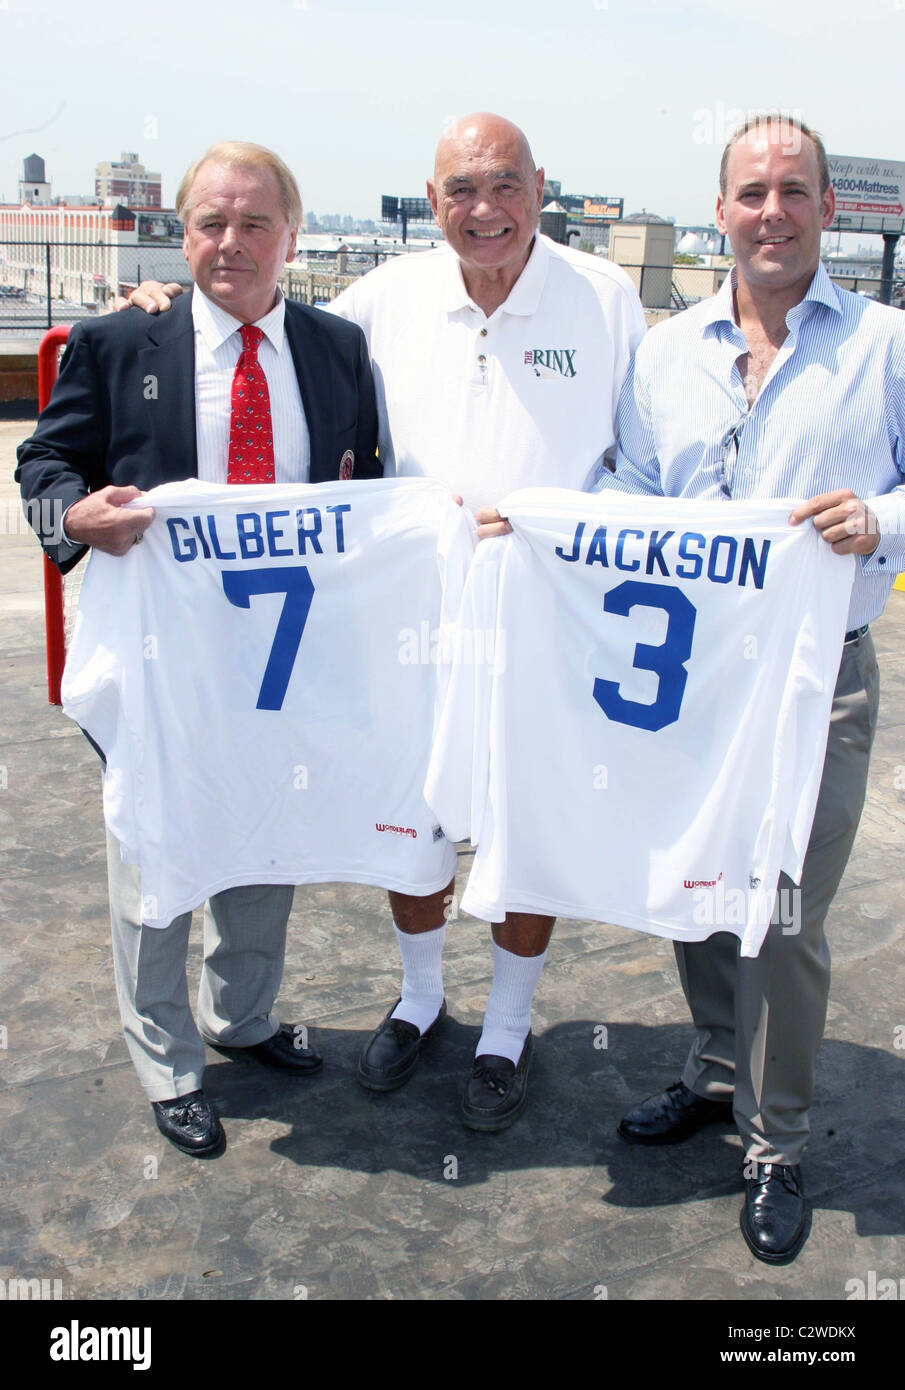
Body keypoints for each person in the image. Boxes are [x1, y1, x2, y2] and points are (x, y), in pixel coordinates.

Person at [123, 113, 645, 1130]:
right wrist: (162, 304)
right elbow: (258, 310)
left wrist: (556, 527)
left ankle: (505, 1026)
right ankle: (417, 999)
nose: (483, 211)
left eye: (503, 186)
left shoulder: (607, 298)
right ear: (431, 195)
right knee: (409, 817)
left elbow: (642, 458)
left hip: (544, 618)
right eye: (460, 190)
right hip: (404, 625)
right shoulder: (382, 298)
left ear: (540, 186)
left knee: (523, 824)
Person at [16, 141, 380, 1157]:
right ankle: (165, 1057)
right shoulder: (117, 345)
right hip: (159, 664)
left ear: (290, 236)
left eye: (254, 222)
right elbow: (45, 456)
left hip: (282, 659)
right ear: (183, 236)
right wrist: (71, 515)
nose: (232, 242)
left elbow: (368, 489)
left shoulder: (338, 349)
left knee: (265, 838)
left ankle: (243, 1018)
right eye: (212, 222)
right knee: (155, 856)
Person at [601, 114, 905, 1263]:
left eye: (792, 190)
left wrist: (879, 517)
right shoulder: (664, 351)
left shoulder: (881, 346)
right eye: (749, 192)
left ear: (828, 208)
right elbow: (626, 483)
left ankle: (773, 1144)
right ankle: (718, 1071)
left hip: (812, 680)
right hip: (688, 677)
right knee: (695, 888)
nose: (769, 211)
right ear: (718, 211)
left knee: (780, 916)